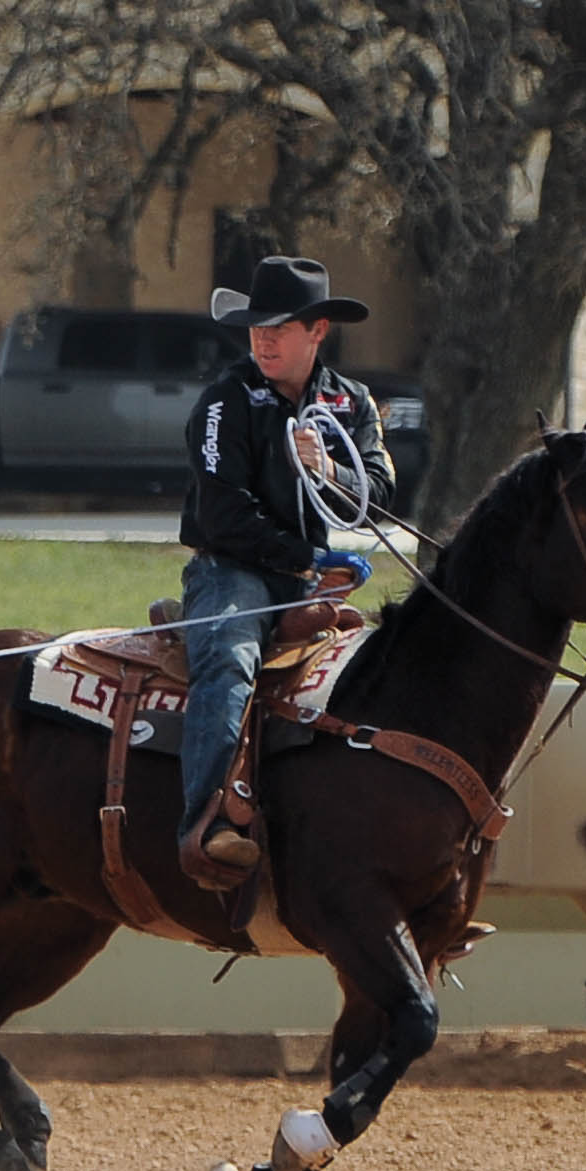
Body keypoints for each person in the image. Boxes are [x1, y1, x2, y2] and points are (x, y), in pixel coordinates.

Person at [177, 255, 394, 885]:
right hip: (233, 571)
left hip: (310, 578)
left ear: (317, 331)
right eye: (255, 328)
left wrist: (329, 470)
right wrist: (308, 557)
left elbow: (378, 491)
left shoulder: (351, 403)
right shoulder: (224, 402)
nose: (263, 340)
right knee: (229, 655)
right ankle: (205, 825)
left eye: (278, 327)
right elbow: (223, 518)